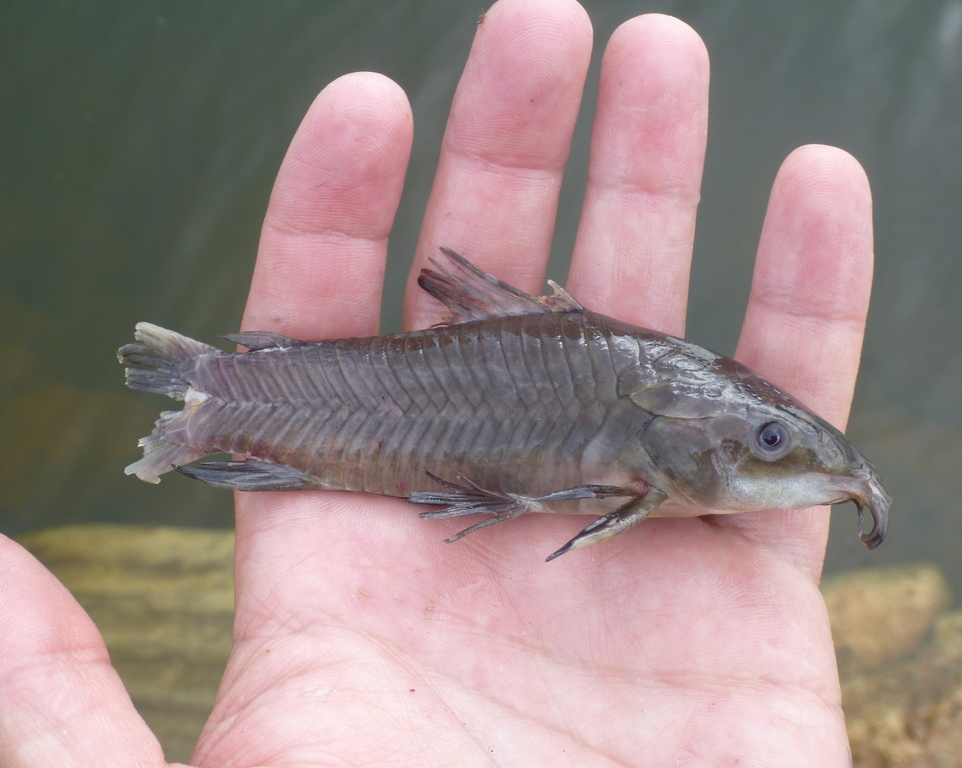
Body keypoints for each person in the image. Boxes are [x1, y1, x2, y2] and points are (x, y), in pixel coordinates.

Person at [0, 1, 873, 765]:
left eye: (771, 441)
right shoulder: (643, 472)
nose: (777, 454)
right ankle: (206, 387)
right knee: (277, 424)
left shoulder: (654, 457)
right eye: (766, 440)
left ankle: (210, 394)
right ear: (678, 424)